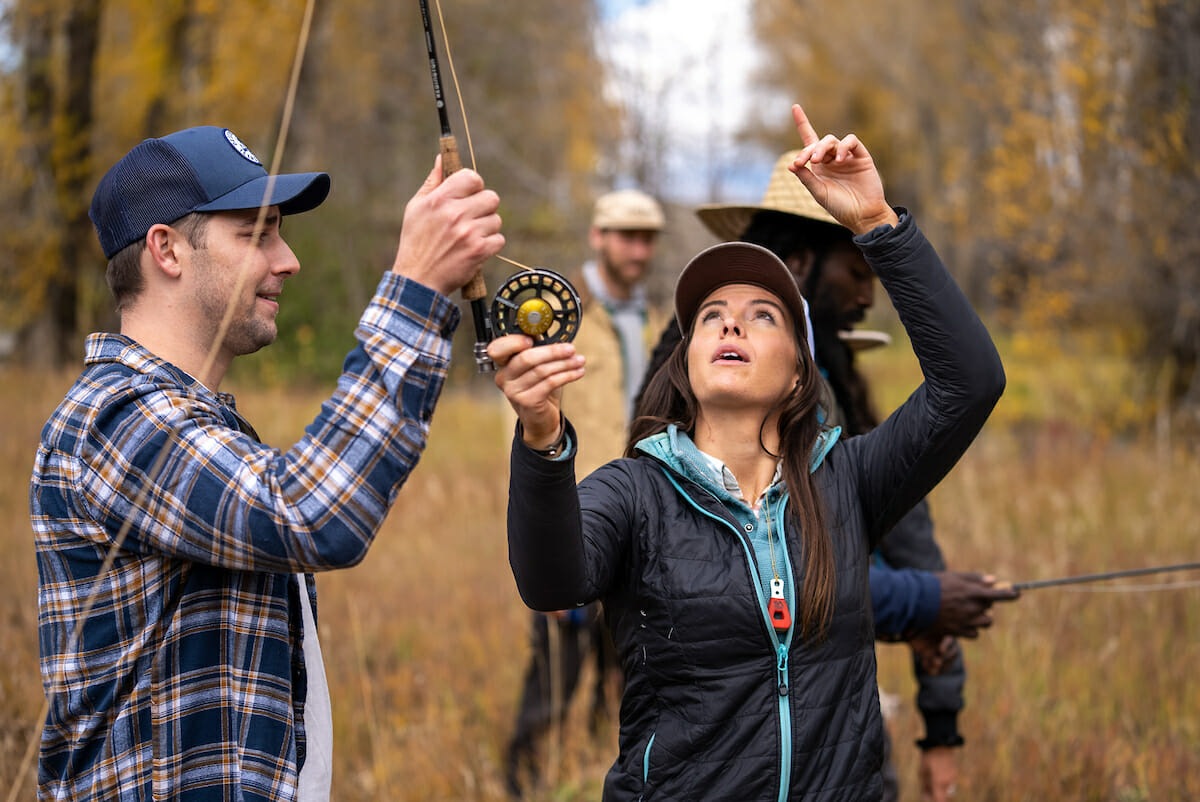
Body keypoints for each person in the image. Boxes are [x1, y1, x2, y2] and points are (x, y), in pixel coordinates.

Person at [488, 103, 1006, 800]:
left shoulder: (850, 481)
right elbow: (549, 582)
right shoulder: (634, 492)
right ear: (687, 360)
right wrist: (543, 438)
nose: (732, 317)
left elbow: (971, 382)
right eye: (711, 315)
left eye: (764, 314)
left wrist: (878, 226)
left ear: (801, 370)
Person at [30, 125, 503, 800]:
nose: (288, 260)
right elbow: (311, 514)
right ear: (166, 250)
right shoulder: (114, 420)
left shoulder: (199, 422)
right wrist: (417, 285)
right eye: (257, 234)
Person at [637, 149, 1019, 801]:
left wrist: (941, 715)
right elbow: (736, 569)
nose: (870, 295)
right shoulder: (697, 373)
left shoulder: (831, 373)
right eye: (858, 269)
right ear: (802, 263)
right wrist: (917, 601)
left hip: (835, 730)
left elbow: (901, 517)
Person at [504, 188, 666, 797]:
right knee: (552, 679)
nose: (638, 248)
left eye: (647, 237)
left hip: (641, 529)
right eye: (626, 235)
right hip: (577, 523)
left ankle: (599, 775)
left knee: (625, 682)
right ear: (598, 237)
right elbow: (525, 426)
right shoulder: (554, 317)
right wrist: (547, 526)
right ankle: (521, 785)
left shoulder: (656, 321)